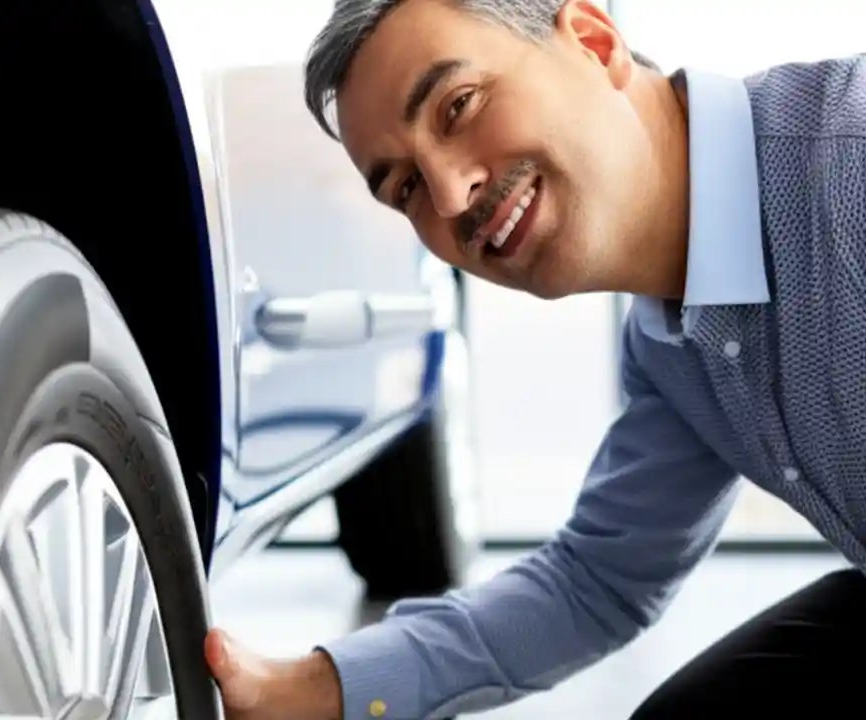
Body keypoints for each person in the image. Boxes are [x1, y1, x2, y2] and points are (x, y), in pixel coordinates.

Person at [200, 0, 866, 717]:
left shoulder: (849, 161)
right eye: (408, 188)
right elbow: (598, 583)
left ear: (593, 40)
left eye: (458, 106)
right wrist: (320, 689)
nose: (453, 196)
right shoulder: (671, 350)